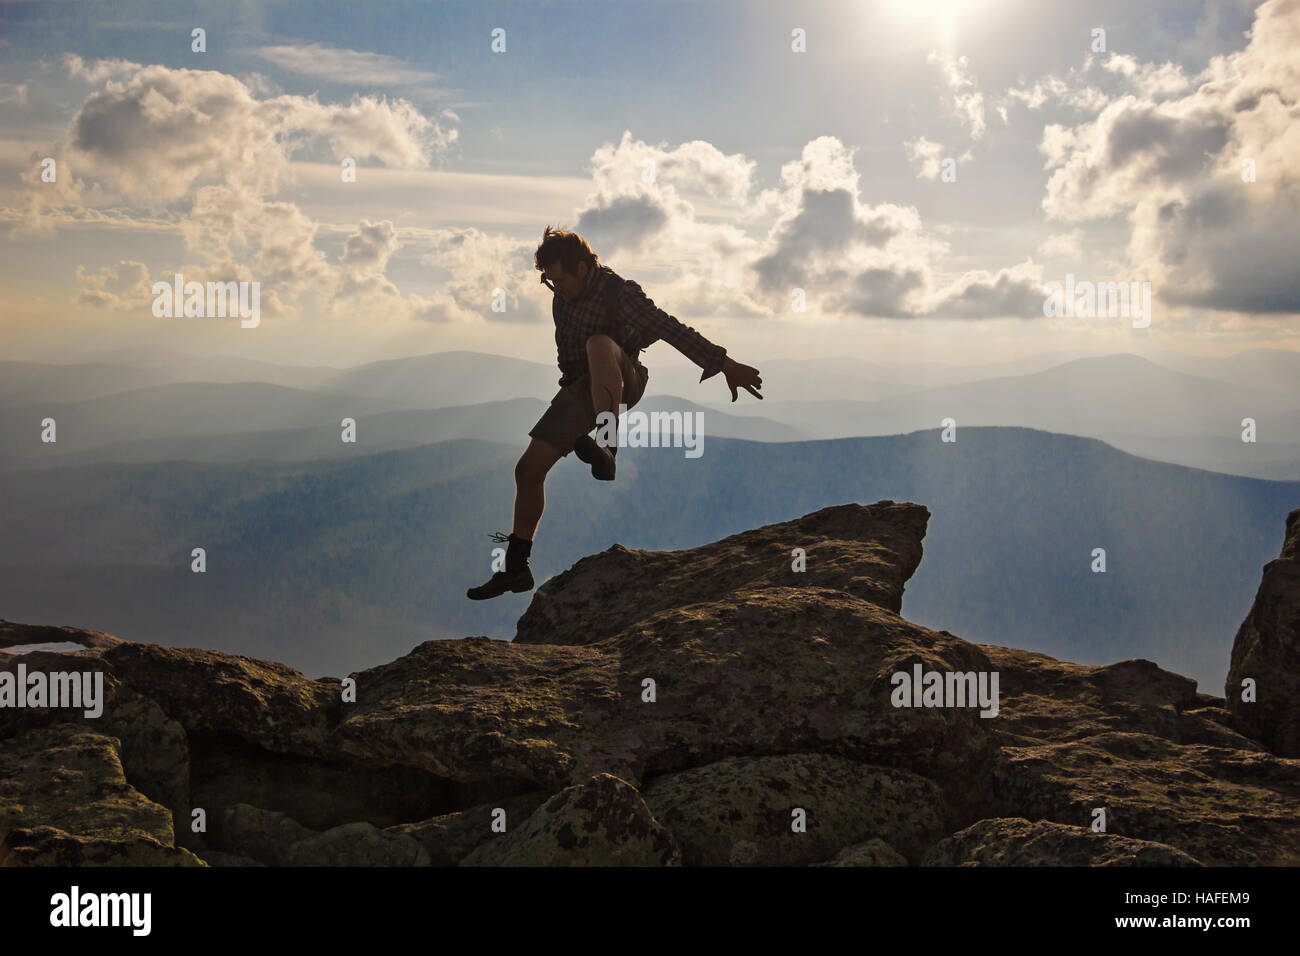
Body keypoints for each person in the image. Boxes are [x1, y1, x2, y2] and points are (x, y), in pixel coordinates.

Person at [467, 225, 763, 600]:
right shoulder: (561, 296)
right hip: (581, 388)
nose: (556, 288)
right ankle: (515, 569)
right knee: (527, 472)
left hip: (625, 378)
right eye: (549, 281)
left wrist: (724, 363)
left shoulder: (619, 293)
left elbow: (669, 328)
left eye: (560, 279)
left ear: (583, 268)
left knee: (599, 343)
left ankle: (608, 446)